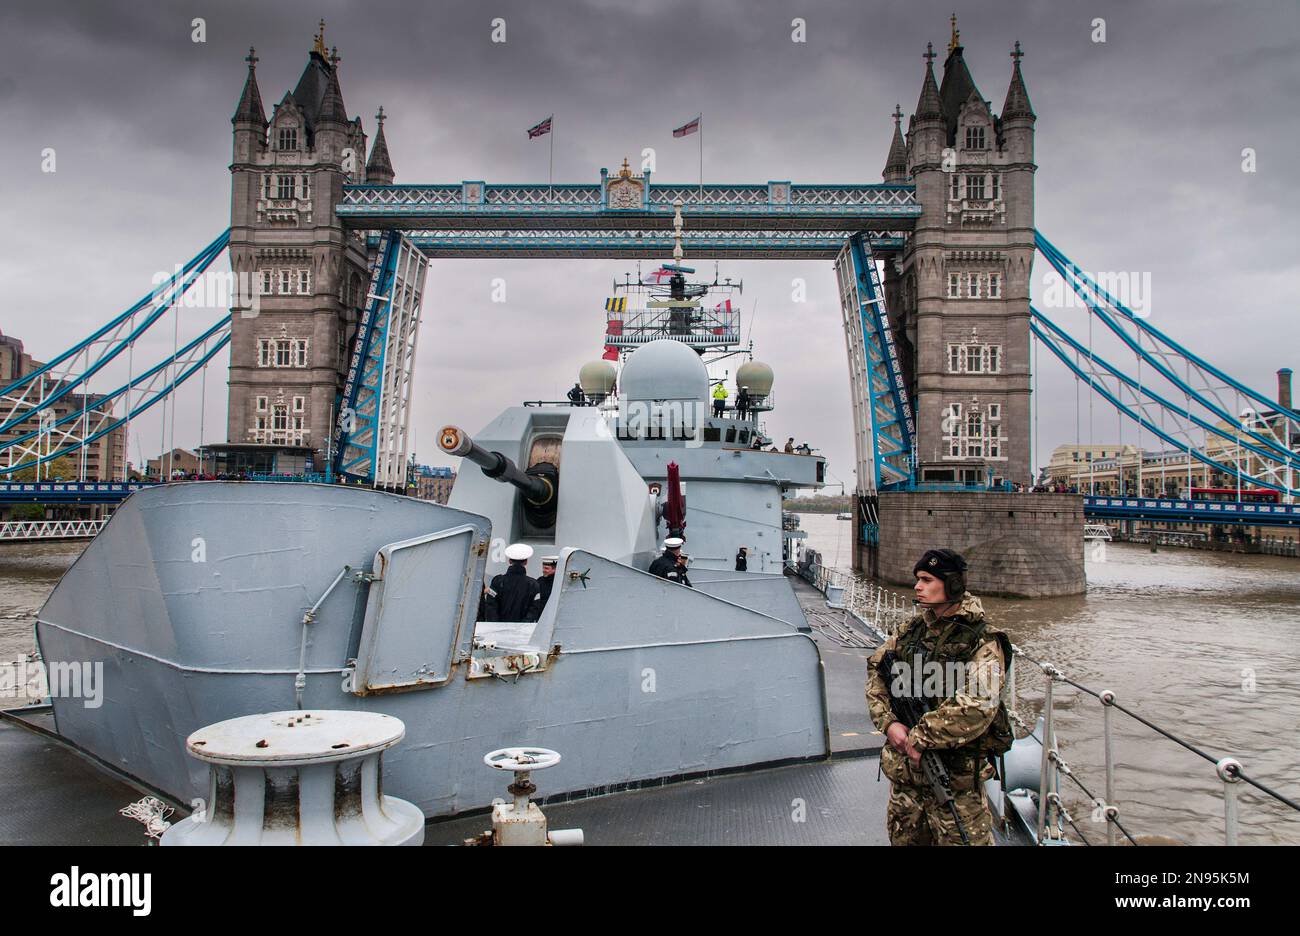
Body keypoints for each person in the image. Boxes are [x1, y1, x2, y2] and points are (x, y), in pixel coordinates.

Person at [864, 549, 1014, 846]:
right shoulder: (910, 632)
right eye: (917, 579)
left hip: (955, 784)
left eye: (927, 579)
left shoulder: (982, 640)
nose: (917, 586)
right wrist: (889, 723)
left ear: (953, 585)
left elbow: (978, 704)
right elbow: (876, 673)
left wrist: (920, 736)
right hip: (907, 782)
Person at [483, 543, 541, 622]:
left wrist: (495, 625)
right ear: (526, 562)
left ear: (509, 561)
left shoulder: (497, 581)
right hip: (523, 631)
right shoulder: (534, 584)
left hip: (497, 630)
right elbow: (534, 608)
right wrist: (524, 625)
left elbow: (491, 605)